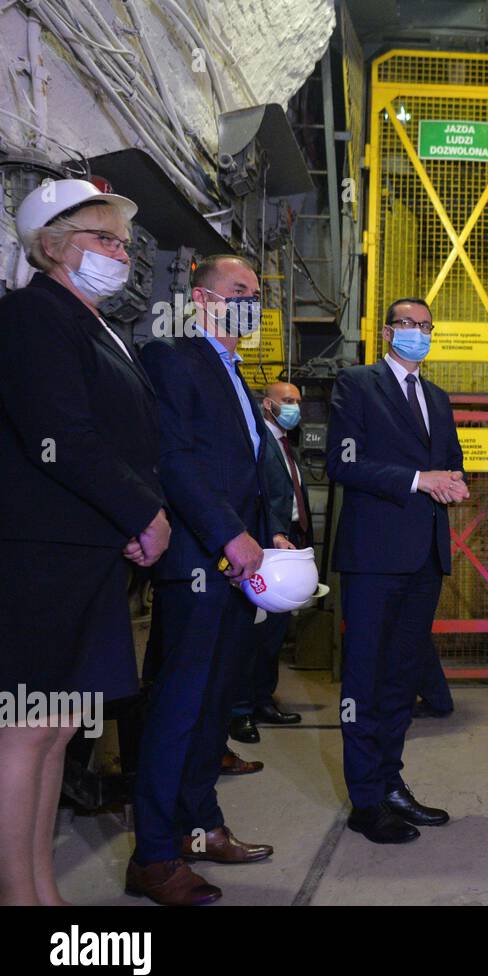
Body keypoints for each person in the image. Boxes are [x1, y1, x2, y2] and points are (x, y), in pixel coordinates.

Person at [0, 179, 170, 906]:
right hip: (43, 553)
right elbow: (61, 437)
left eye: (123, 243)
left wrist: (133, 515)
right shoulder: (32, 315)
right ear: (54, 245)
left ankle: (43, 892)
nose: (119, 253)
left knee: (59, 727)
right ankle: (20, 893)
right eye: (104, 239)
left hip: (85, 551)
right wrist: (143, 513)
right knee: (27, 730)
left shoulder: (96, 326)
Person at [131, 254, 290, 905]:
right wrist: (230, 534)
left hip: (234, 571)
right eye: (237, 291)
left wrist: (266, 532)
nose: (250, 302)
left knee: (211, 708)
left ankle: (200, 826)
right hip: (198, 562)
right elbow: (177, 459)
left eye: (257, 293)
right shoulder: (175, 357)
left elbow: (243, 471)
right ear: (201, 297)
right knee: (177, 709)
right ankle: (154, 856)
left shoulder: (235, 373)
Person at [326, 297, 468, 843]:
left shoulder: (436, 396)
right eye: (409, 325)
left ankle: (389, 782)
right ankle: (365, 801)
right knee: (365, 677)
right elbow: (343, 461)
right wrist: (418, 479)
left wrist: (453, 481)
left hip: (425, 555)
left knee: (400, 678)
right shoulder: (357, 384)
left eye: (427, 326)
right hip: (374, 557)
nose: (419, 334)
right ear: (387, 331)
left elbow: (448, 460)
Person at [230, 380, 311, 744]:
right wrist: (272, 534)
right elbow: (259, 496)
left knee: (274, 630)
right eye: (288, 401)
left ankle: (263, 699)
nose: (295, 407)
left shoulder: (284, 445)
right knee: (251, 632)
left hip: (289, 542)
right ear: (267, 404)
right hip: (265, 544)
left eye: (298, 401)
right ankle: (240, 711)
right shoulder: (259, 440)